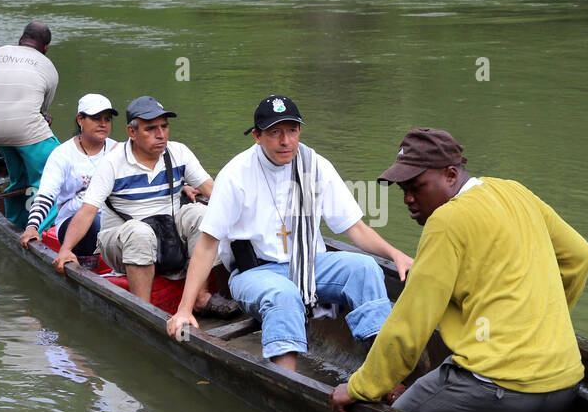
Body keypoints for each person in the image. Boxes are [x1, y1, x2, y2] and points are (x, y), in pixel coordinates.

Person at [329, 128, 588, 412]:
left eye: (416, 186)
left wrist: (361, 387)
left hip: (498, 387)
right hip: (565, 383)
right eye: (403, 190)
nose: (408, 199)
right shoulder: (515, 192)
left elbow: (410, 325)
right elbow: (580, 256)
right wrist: (540, 320)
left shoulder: (446, 221)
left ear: (451, 175)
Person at [167, 95, 414, 372]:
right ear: (257, 137)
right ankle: (287, 381)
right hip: (255, 273)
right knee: (283, 294)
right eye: (275, 133)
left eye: (292, 131)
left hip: (308, 265)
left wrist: (395, 254)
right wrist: (184, 309)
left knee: (365, 268)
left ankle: (385, 372)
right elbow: (207, 245)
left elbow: (354, 227)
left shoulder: (315, 164)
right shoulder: (235, 174)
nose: (286, 141)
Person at [54, 95, 228, 314]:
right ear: (132, 132)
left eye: (164, 127)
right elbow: (88, 211)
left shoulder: (179, 152)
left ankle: (201, 297)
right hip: (122, 239)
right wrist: (66, 249)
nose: (161, 134)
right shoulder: (112, 163)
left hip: (168, 233)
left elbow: (214, 192)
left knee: (202, 214)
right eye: (151, 129)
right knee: (140, 232)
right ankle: (143, 311)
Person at [18, 94, 121, 257]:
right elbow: (46, 195)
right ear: (80, 119)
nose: (103, 124)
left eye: (107, 119)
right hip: (73, 223)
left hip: (112, 219)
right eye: (96, 119)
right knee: (94, 223)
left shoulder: (118, 150)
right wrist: (32, 227)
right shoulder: (62, 155)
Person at [0, 22, 60, 229]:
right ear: (46, 48)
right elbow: (42, 112)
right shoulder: (49, 69)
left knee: (19, 180)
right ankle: (40, 231)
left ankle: (14, 222)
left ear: (20, 40)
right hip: (26, 131)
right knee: (58, 171)